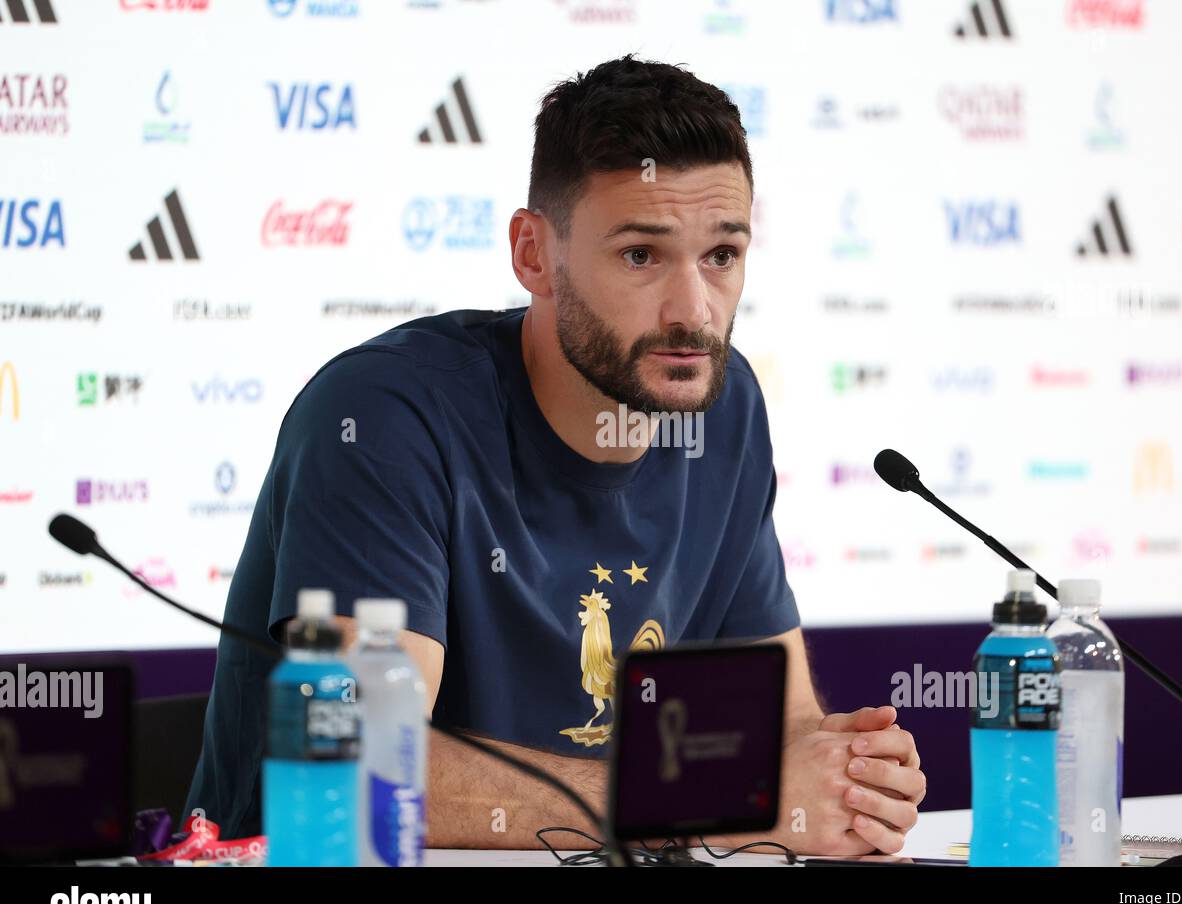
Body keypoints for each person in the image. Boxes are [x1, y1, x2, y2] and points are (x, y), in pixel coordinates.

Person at [186, 54, 925, 855]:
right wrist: (714, 797)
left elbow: (781, 738)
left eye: (721, 255)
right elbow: (358, 760)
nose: (693, 311)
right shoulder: (382, 416)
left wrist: (849, 782)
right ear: (534, 254)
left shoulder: (722, 406)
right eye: (641, 254)